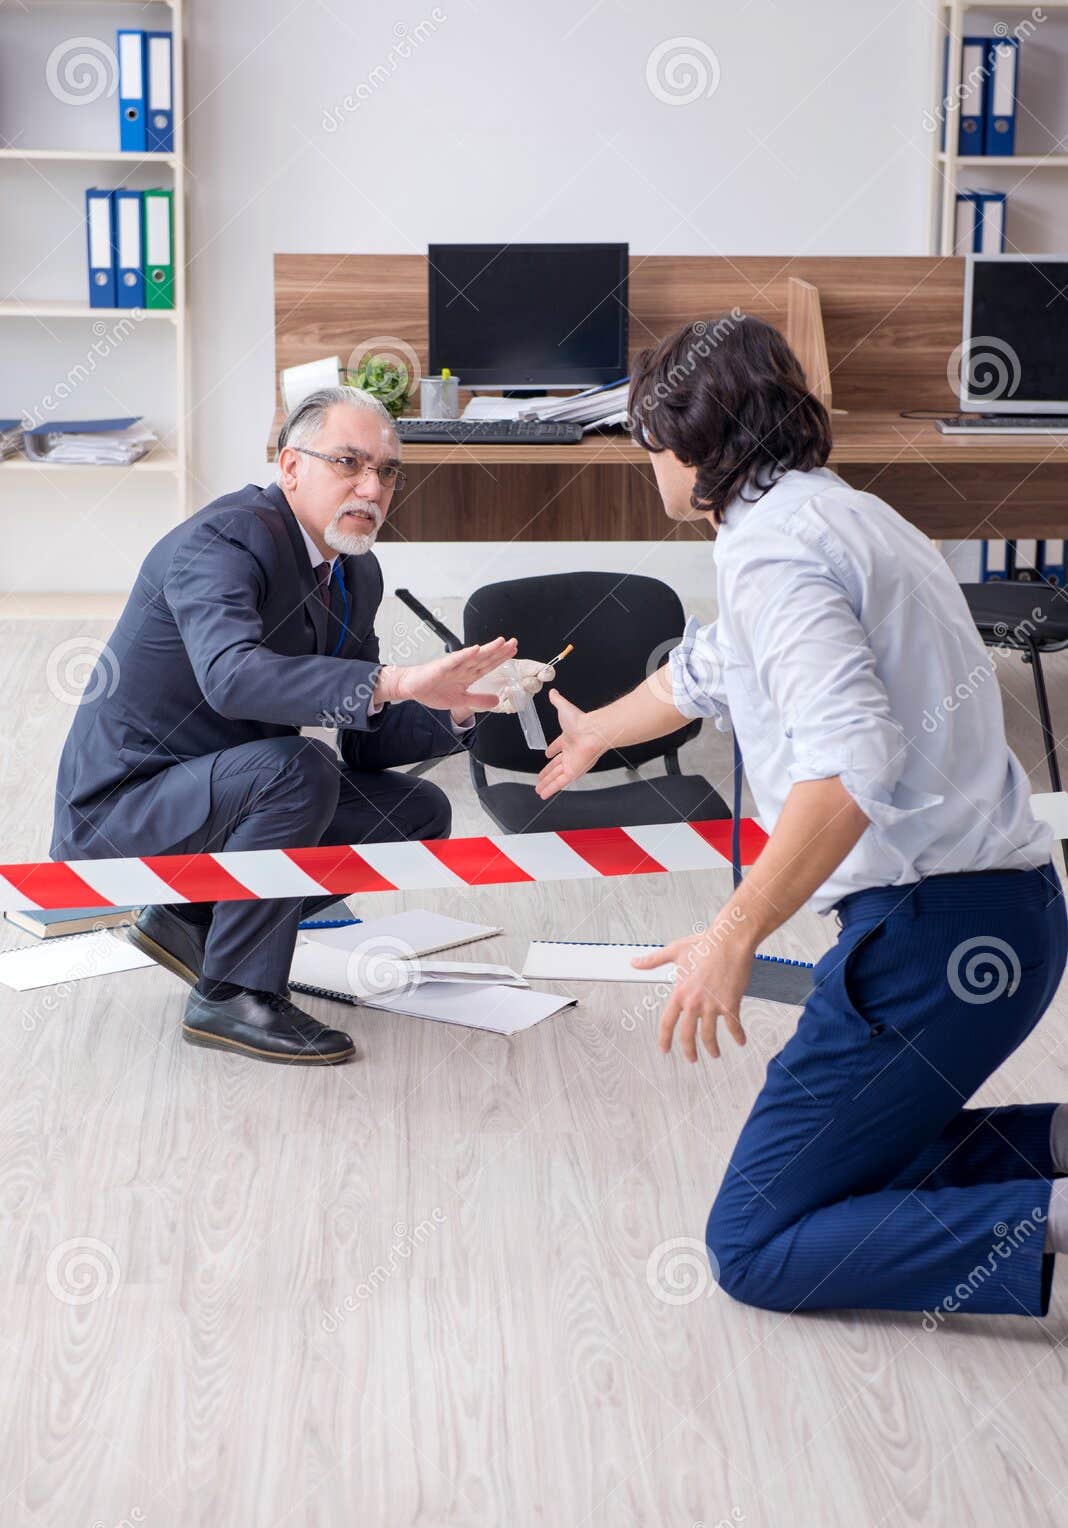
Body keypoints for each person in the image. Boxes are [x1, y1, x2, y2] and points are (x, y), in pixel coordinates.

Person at [538, 313, 1068, 1318]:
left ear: (690, 442)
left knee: (752, 1245)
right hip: (1005, 919)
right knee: (852, 1170)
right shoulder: (830, 516)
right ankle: (1053, 1149)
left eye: (647, 438)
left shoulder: (774, 555)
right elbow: (707, 670)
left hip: (932, 941)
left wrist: (735, 931)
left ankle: (1044, 1218)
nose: (644, 459)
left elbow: (852, 764)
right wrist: (596, 730)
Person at [51, 386, 551, 1066]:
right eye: (348, 462)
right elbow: (230, 677)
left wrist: (460, 703)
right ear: (291, 467)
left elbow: (367, 741)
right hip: (126, 806)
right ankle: (230, 993)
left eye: (386, 471)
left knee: (417, 813)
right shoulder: (223, 541)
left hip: (226, 793)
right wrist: (398, 680)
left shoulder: (355, 573)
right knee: (297, 769)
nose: (371, 487)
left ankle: (191, 921)